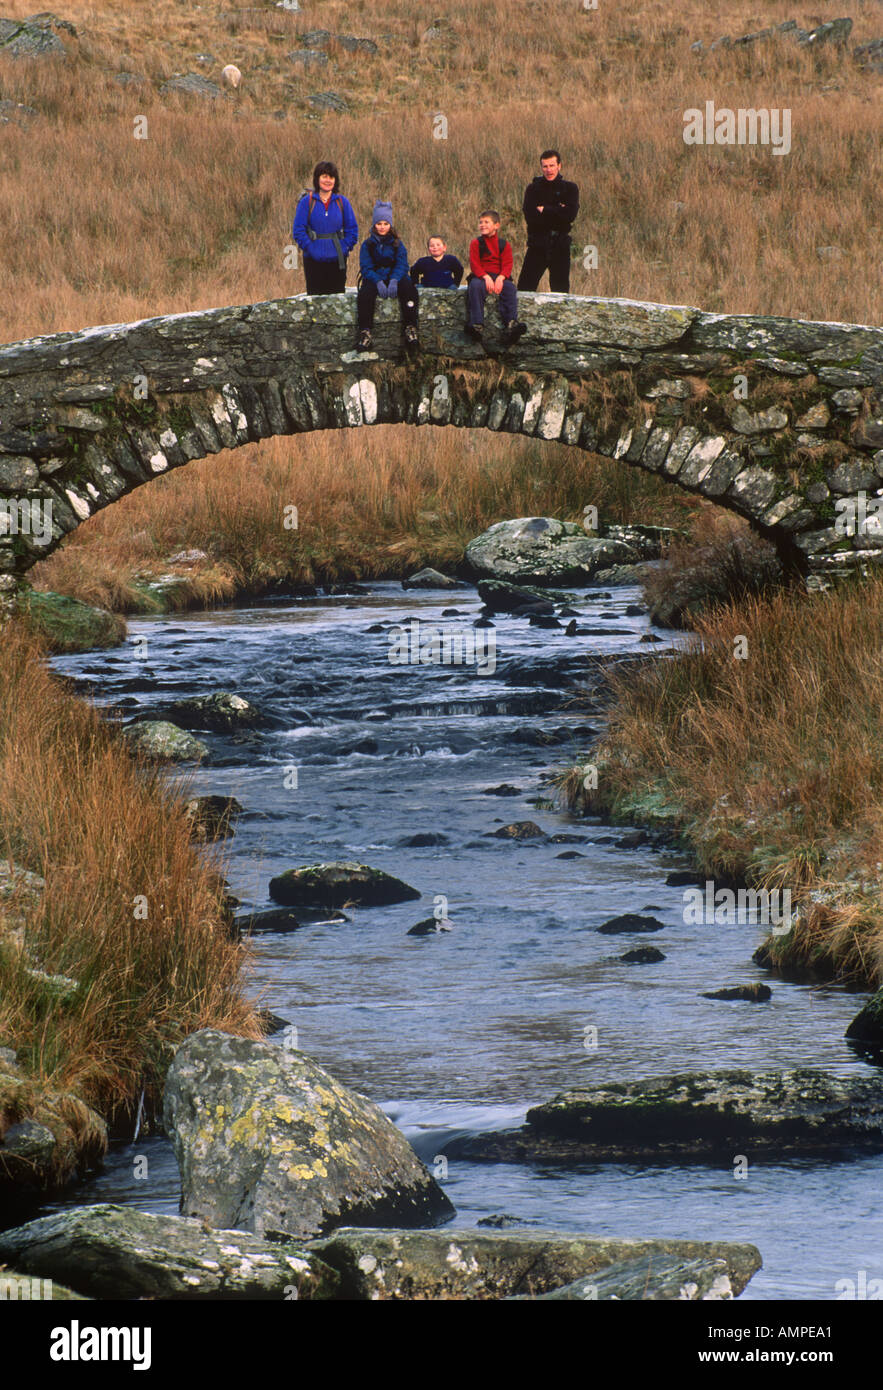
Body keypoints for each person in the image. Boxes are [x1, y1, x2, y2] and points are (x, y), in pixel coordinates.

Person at [356, 201, 419, 352]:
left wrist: (394, 280)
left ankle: (410, 328)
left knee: (409, 289)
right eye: (379, 223)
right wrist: (377, 281)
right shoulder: (368, 244)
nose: (382, 227)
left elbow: (402, 264)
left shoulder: (397, 243)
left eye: (385, 223)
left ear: (390, 225)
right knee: (365, 294)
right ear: (374, 225)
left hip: (394, 276)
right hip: (375, 276)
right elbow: (366, 267)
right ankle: (365, 332)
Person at [517, 149, 579, 293]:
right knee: (525, 288)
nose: (549, 170)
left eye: (552, 165)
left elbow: (570, 215)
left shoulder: (570, 189)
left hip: (560, 244)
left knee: (561, 290)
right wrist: (558, 210)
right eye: (545, 166)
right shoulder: (533, 189)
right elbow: (531, 218)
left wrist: (545, 210)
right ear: (541, 167)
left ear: (559, 166)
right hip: (537, 243)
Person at [292, 160, 359, 295]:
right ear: (317, 179)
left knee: (336, 301)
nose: (328, 180)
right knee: (315, 303)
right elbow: (298, 230)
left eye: (331, 177)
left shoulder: (342, 202)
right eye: (324, 176)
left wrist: (344, 247)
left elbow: (352, 230)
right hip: (313, 261)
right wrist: (311, 249)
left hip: (338, 261)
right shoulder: (307, 202)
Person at [465, 210, 526, 346]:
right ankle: (476, 324)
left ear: (496, 225)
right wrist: (485, 277)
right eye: (480, 222)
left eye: (486, 222)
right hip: (481, 276)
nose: (482, 225)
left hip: (499, 276)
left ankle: (511, 324)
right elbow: (475, 264)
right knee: (475, 287)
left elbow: (508, 264)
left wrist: (501, 278)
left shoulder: (504, 244)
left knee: (510, 288)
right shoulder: (476, 243)